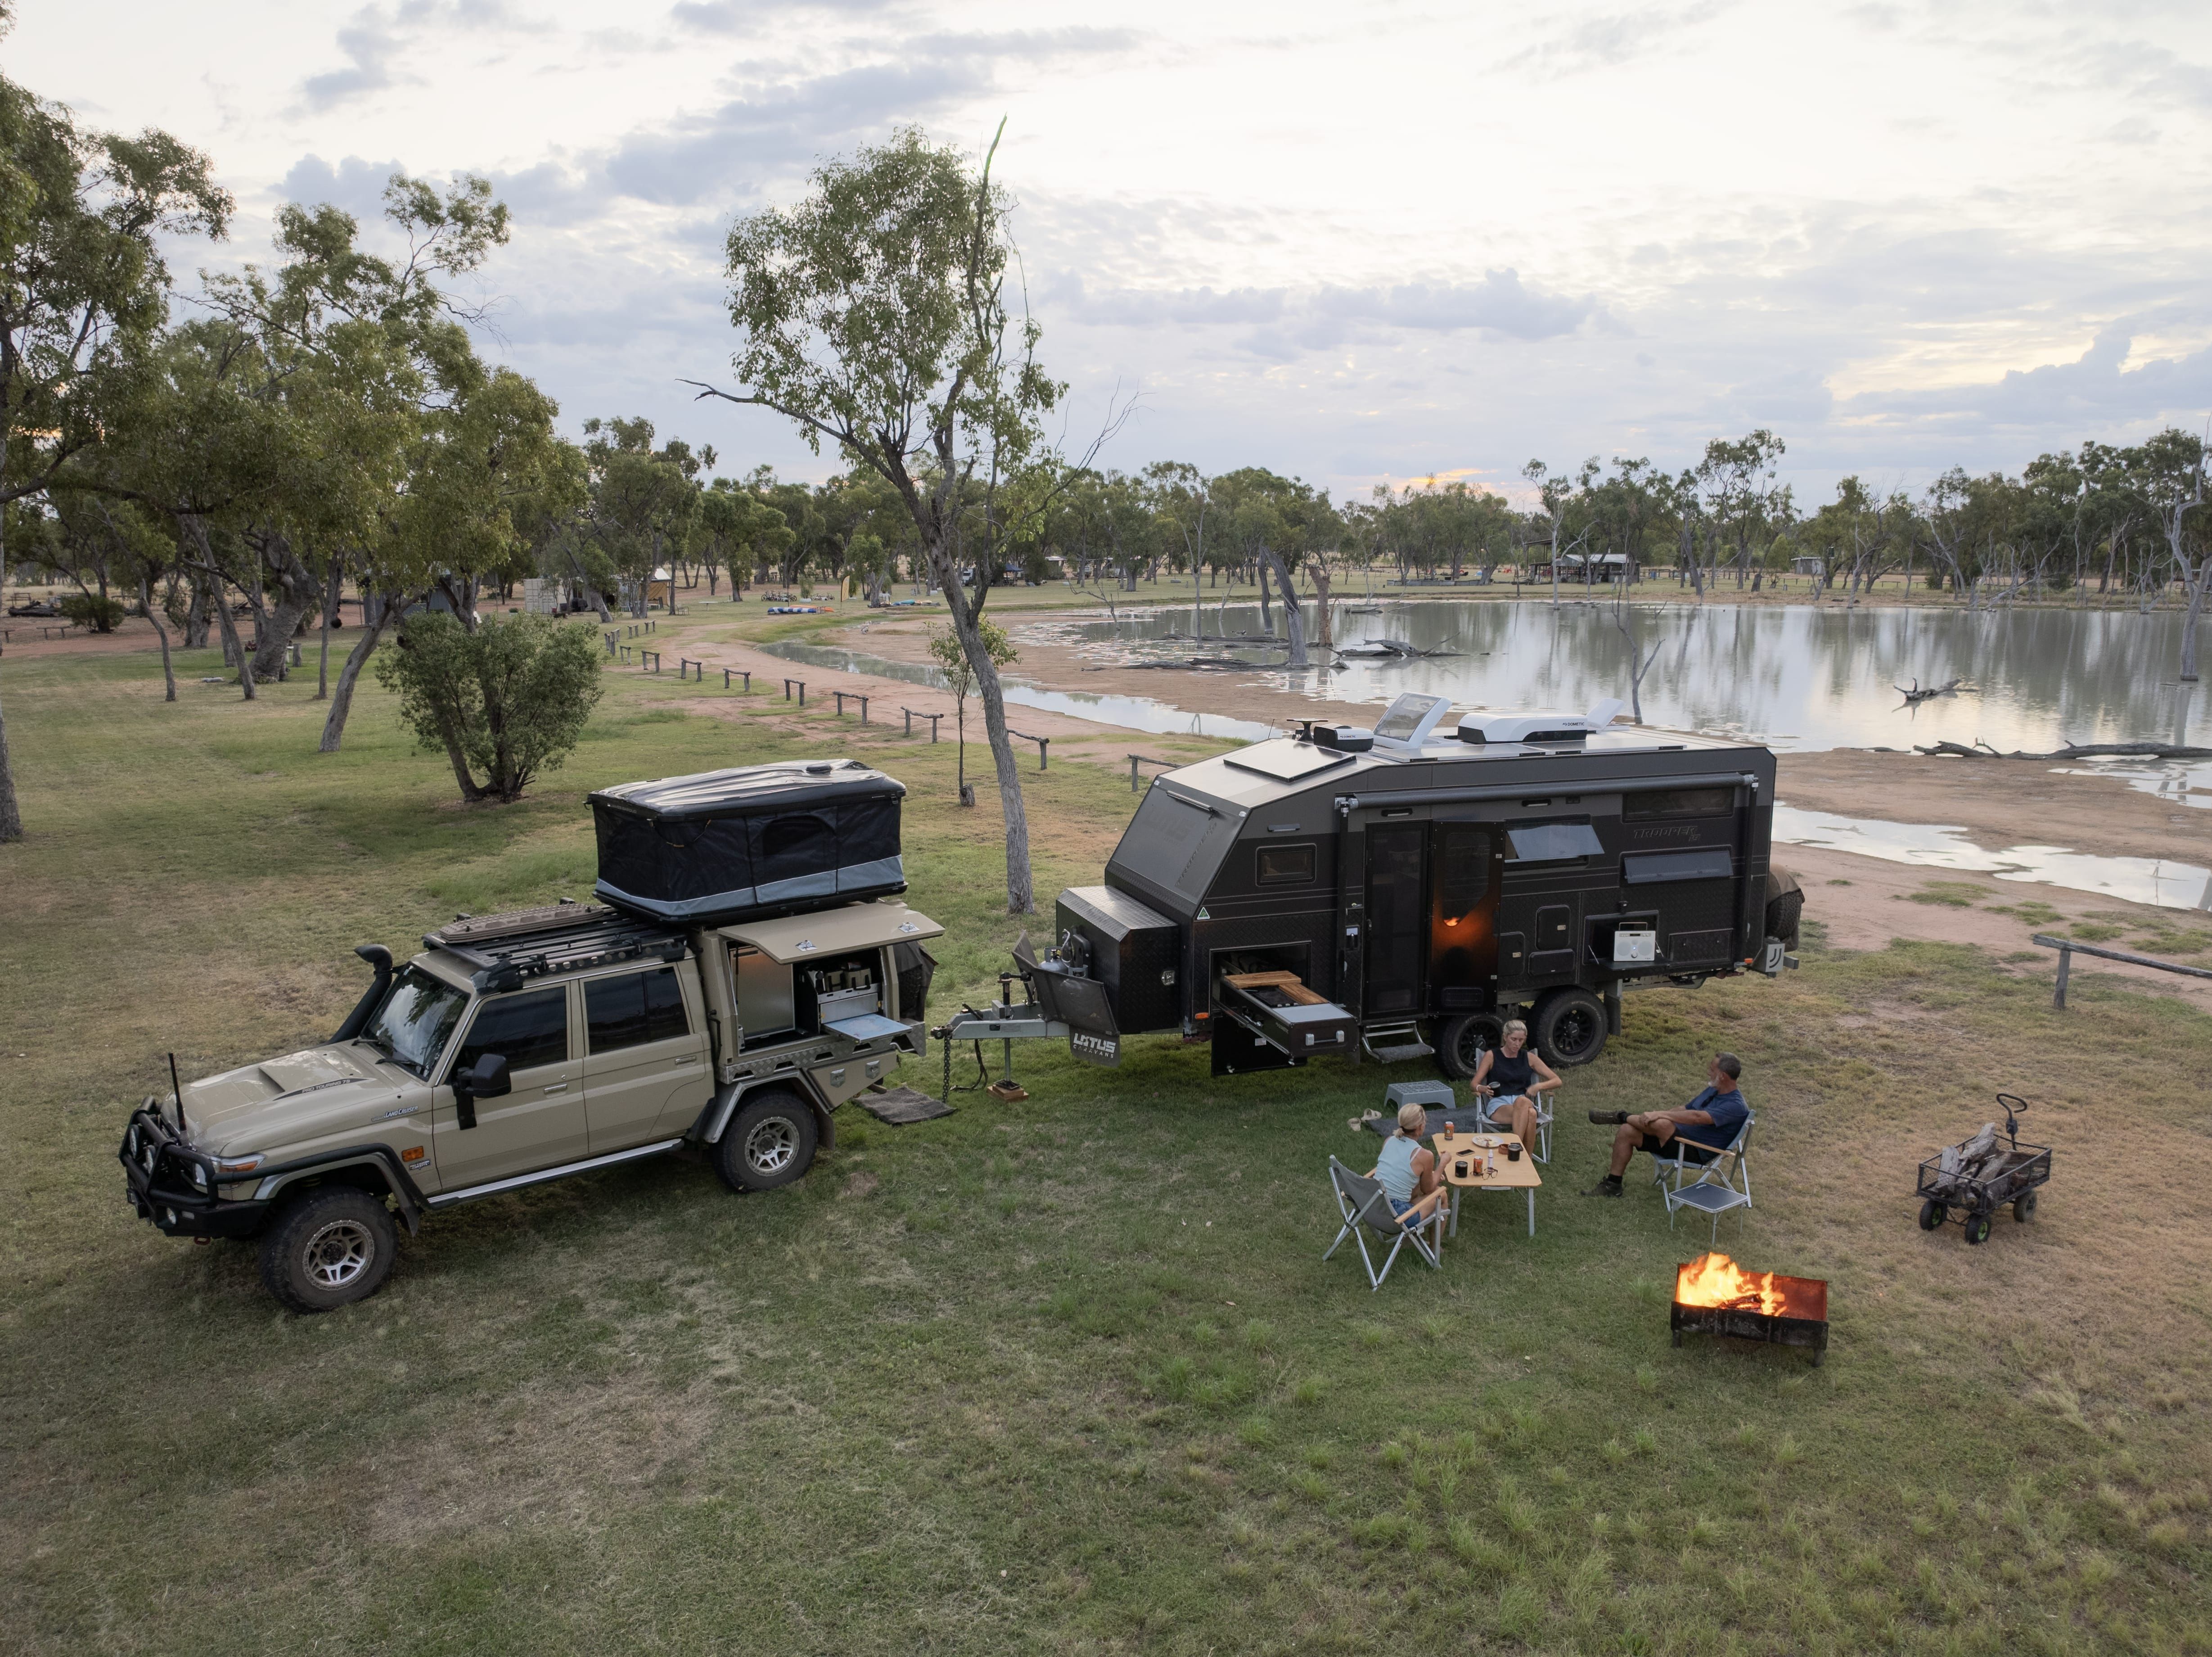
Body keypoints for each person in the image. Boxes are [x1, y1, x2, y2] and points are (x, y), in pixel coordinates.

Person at [1581, 1053, 1749, 1198]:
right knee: (1628, 1131)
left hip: (1694, 1150)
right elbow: (1685, 1109)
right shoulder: (1714, 1091)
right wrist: (1660, 1116)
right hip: (1675, 1140)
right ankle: (1613, 1185)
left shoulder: (1735, 1106)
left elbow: (1697, 1117)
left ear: (1723, 1076)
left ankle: (1621, 1116)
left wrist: (1661, 1116)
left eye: (1712, 1070)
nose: (1708, 1072)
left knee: (1663, 1123)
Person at [1469, 1018, 1559, 1151]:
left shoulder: (1528, 1057)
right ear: (1505, 1037)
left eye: (1521, 1040)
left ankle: (1515, 1151)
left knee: (1522, 1102)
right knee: (1532, 1114)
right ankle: (1523, 1157)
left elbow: (1557, 1080)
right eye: (1514, 1039)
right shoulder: (1492, 1056)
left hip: (1522, 1101)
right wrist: (1482, 1088)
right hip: (1499, 1104)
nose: (1517, 1044)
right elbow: (1474, 1084)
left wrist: (1538, 1086)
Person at [1372, 1102, 1449, 1230]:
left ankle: (1408, 1241)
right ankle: (1434, 1248)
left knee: (1417, 1186)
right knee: (1441, 1194)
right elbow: (1428, 1189)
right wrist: (1443, 1164)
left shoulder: (1389, 1141)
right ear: (1420, 1127)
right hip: (1398, 1215)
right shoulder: (1424, 1156)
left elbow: (1402, 1171)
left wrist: (1431, 1175)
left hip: (1375, 1205)